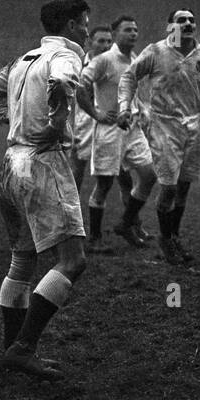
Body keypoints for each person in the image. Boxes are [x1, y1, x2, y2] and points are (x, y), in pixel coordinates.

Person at [0, 0, 100, 380]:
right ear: (71, 26)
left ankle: (12, 351)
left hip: (11, 163)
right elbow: (63, 81)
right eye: (85, 23)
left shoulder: (22, 60)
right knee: (73, 260)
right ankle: (25, 347)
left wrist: (17, 119)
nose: (88, 30)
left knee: (22, 260)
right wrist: (56, 118)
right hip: (44, 162)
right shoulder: (68, 56)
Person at [118, 9, 200, 266]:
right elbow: (129, 76)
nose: (187, 23)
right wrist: (123, 107)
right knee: (169, 186)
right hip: (164, 124)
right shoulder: (155, 52)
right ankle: (165, 239)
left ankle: (174, 236)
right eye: (180, 20)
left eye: (191, 20)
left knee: (184, 187)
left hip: (194, 125)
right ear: (169, 28)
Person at [82, 16, 155, 252]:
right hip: (110, 128)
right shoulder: (104, 60)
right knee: (103, 185)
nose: (133, 33)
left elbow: (131, 91)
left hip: (132, 128)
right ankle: (94, 238)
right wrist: (96, 113)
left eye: (135, 29)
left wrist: (141, 109)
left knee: (149, 175)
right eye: (127, 30)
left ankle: (126, 223)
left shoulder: (134, 60)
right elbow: (80, 87)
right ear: (115, 34)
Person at [71, 26, 113, 192]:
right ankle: (70, 208)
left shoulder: (116, 62)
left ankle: (131, 215)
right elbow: (67, 98)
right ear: (90, 42)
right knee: (77, 168)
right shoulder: (78, 64)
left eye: (109, 41)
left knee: (122, 172)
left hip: (111, 120)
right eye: (101, 41)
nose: (106, 45)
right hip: (85, 123)